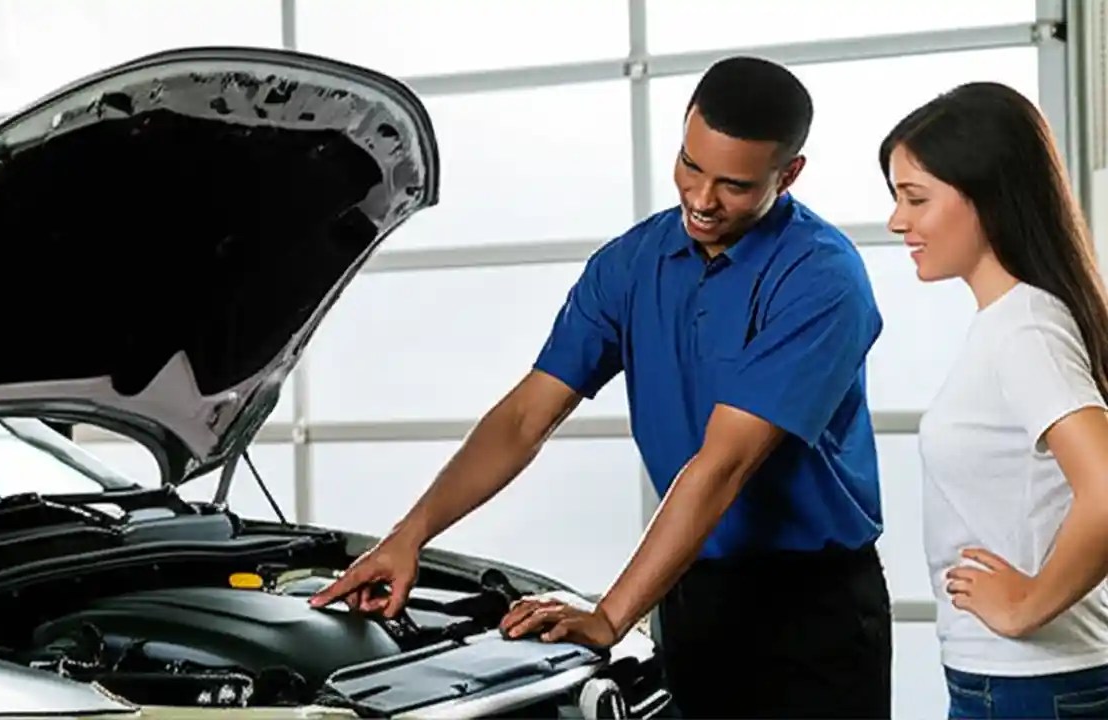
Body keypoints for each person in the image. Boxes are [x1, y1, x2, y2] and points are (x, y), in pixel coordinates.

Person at [310, 55, 892, 719]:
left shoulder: (822, 279)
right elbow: (527, 416)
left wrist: (611, 615)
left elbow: (724, 465)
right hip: (689, 591)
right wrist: (408, 536)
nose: (702, 200)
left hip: (812, 615)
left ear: (788, 175)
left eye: (733, 185)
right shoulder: (631, 263)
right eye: (690, 166)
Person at [881, 81, 1108, 719]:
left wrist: (1026, 604)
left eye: (916, 198)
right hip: (1016, 683)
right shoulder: (1013, 321)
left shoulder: (1026, 329)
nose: (899, 221)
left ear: (986, 197)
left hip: (1031, 687)